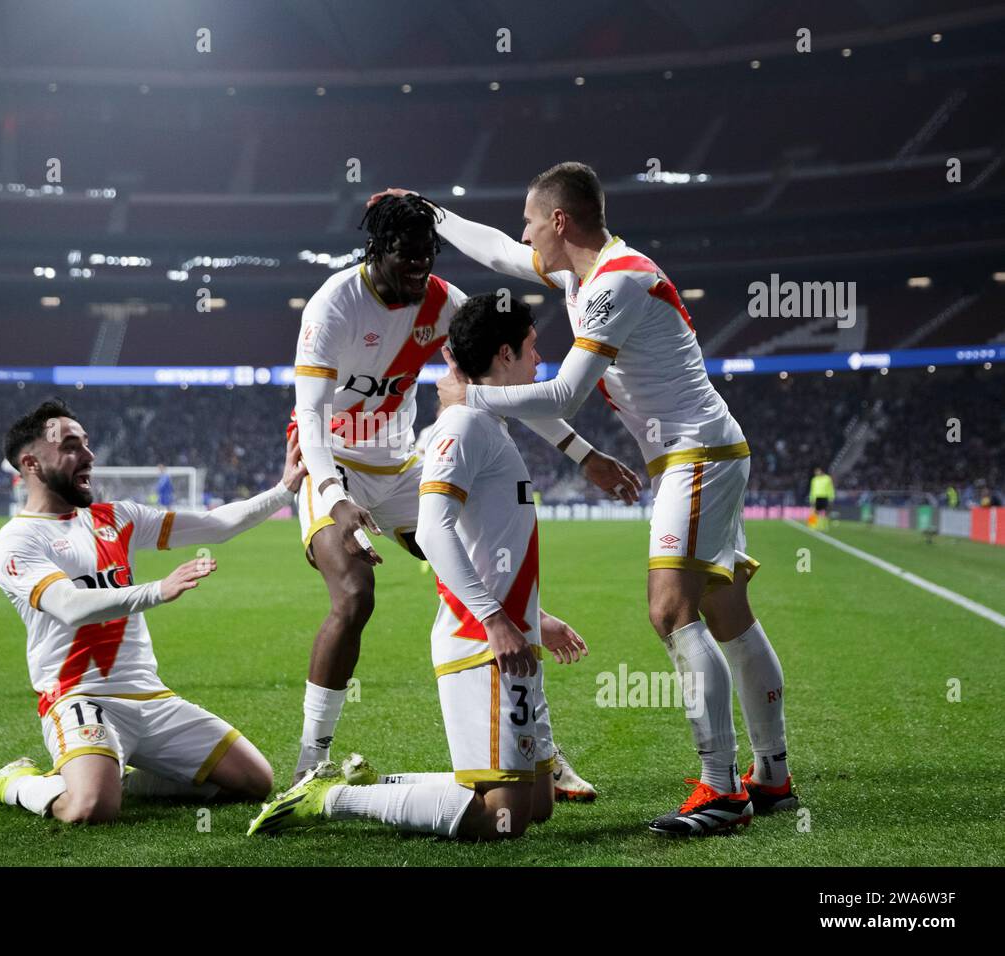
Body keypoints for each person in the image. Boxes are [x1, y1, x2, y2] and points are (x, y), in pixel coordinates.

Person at [372, 164, 796, 835]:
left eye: (530, 222)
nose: (523, 235)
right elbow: (498, 252)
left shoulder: (615, 281)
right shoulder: (583, 276)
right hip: (703, 450)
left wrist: (468, 394)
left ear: (559, 221)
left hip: (696, 455)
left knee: (671, 610)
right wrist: (433, 213)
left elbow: (566, 394)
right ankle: (771, 774)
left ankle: (721, 789)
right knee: (727, 612)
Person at [287, 194, 640, 797]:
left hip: (400, 464)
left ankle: (542, 750)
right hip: (333, 463)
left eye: (428, 256)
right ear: (377, 250)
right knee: (355, 593)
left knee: (493, 560)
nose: (419, 269)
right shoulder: (332, 306)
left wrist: (583, 455)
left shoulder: (441, 301)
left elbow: (501, 380)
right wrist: (333, 494)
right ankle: (309, 762)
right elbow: (312, 418)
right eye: (407, 257)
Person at [251, 295, 590, 840]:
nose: (539, 359)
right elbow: (432, 532)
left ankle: (367, 783)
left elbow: (489, 545)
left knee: (535, 806)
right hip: (479, 639)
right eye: (531, 348)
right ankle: (330, 796)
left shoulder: (488, 423)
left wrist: (534, 618)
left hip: (511, 633)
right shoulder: (464, 427)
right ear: (504, 355)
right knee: (501, 820)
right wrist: (496, 619)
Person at [0, 400, 303, 823]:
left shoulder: (118, 518)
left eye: (87, 443)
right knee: (90, 808)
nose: (89, 455)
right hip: (79, 696)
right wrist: (156, 590)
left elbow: (216, 525)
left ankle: (116, 776)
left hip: (149, 695)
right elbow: (69, 605)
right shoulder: (16, 540)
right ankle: (12, 783)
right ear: (31, 463)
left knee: (254, 780)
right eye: (71, 446)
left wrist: (284, 489)